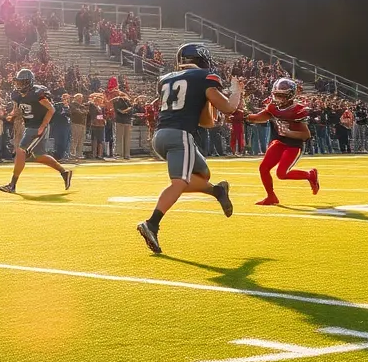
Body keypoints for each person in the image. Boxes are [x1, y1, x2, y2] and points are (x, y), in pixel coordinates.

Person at [135, 44, 238, 254]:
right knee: (179, 183)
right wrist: (237, 90)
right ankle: (152, 223)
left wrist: (207, 103)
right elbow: (229, 107)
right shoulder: (204, 76)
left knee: (203, 174)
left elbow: (206, 121)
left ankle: (217, 190)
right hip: (180, 135)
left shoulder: (165, 78)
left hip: (161, 136)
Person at [0, 68, 73, 194]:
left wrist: (43, 126)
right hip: (29, 127)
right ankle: (64, 172)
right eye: (18, 82)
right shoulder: (16, 95)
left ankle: (12, 185)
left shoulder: (37, 93)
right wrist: (12, 115)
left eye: (22, 82)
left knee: (21, 151)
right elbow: (18, 109)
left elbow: (51, 109)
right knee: (39, 156)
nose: (19, 85)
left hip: (38, 127)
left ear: (29, 82)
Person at [245, 77, 319, 206]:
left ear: (290, 96)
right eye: (277, 95)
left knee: (282, 174)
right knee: (264, 168)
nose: (278, 99)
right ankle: (271, 196)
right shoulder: (273, 107)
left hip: (294, 145)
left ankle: (309, 175)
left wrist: (289, 133)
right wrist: (244, 116)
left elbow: (306, 135)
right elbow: (259, 118)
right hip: (279, 141)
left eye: (282, 96)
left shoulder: (297, 110)